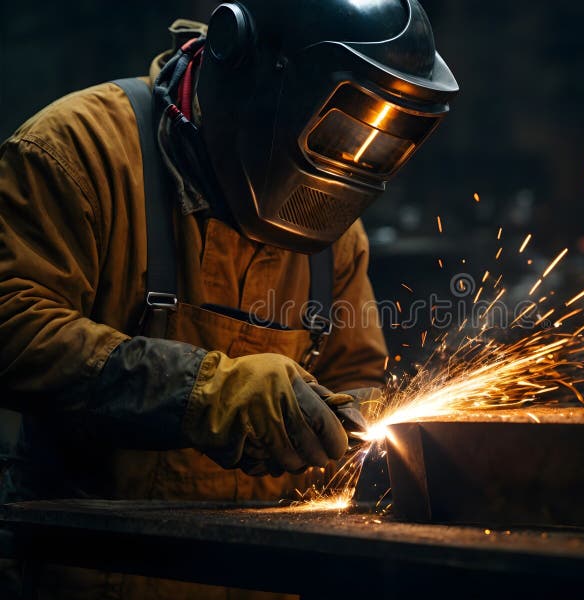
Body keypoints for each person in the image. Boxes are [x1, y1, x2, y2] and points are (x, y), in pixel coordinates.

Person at [0, 0, 457, 597]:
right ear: (248, 67)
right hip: (87, 577)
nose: (349, 157)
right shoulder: (76, 152)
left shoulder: (333, 227)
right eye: (336, 130)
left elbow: (356, 374)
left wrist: (356, 430)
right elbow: (14, 329)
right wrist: (203, 392)